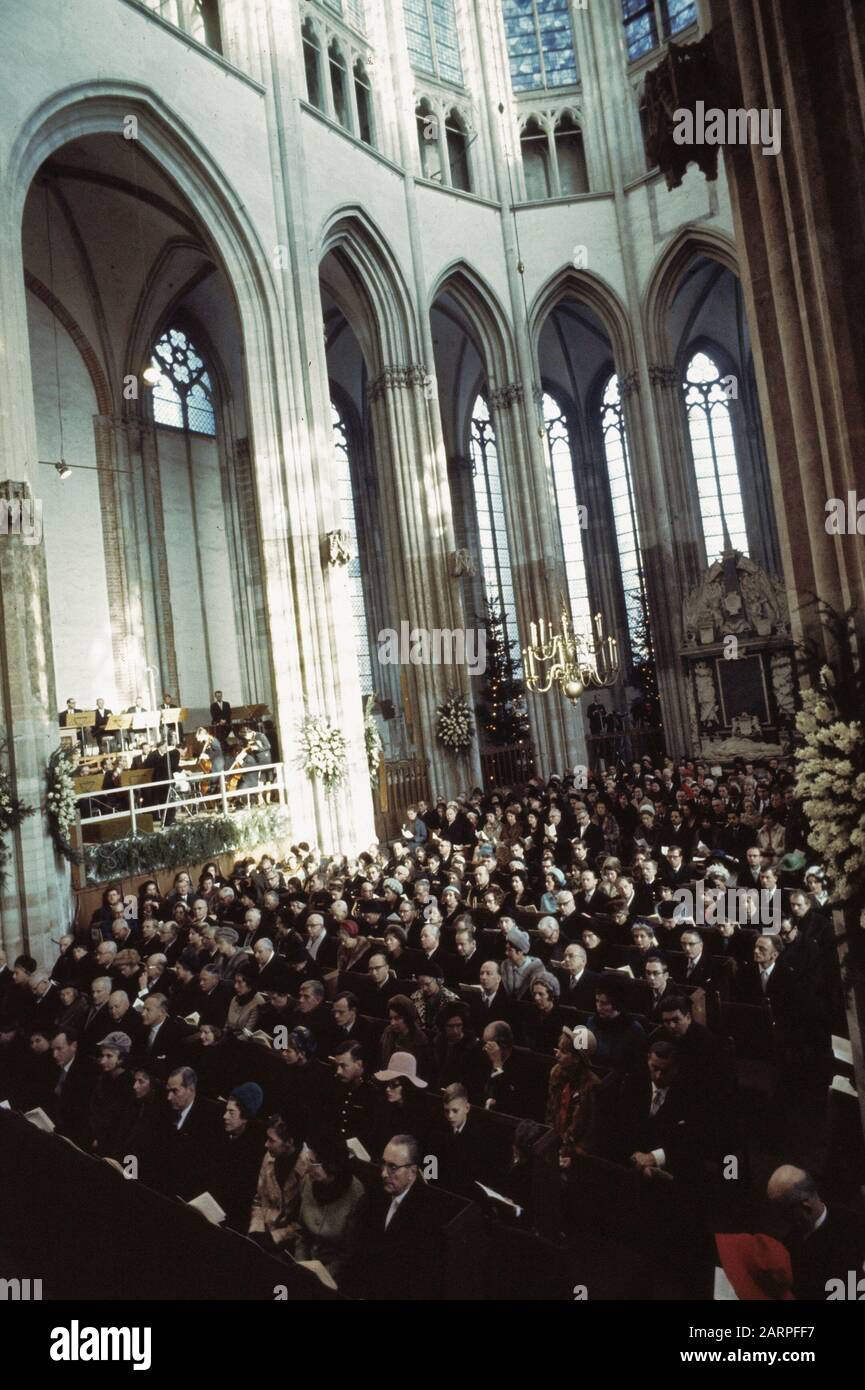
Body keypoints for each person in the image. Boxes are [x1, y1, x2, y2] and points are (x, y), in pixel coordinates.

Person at [346, 1135, 442, 1300]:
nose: (384, 1173)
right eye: (383, 1164)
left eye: (393, 1167)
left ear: (412, 1172)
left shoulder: (426, 1215)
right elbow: (358, 1252)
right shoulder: (375, 1196)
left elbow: (419, 1281)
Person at [767, 1165, 865, 1301]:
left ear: (806, 1206)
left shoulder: (856, 1227)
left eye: (784, 1212)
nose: (781, 1218)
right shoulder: (790, 1244)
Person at [293, 1137, 367, 1282]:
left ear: (330, 1166)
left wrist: (321, 1277)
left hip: (333, 1277)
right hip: (304, 1267)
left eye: (312, 1162)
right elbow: (301, 1233)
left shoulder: (357, 1196)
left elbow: (347, 1254)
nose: (307, 1167)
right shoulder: (308, 1181)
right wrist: (300, 1264)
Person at [211, 1083, 267, 1232]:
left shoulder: (255, 1150)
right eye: (226, 1111)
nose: (225, 1116)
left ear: (245, 1117)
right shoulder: (222, 1136)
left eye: (231, 1112)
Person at [248, 1115, 303, 1252]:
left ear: (289, 1142)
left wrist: (274, 1238)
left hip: (289, 1247)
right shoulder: (269, 1156)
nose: (266, 1144)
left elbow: (304, 1223)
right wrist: (256, 1230)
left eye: (272, 1140)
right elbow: (259, 1199)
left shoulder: (307, 1169)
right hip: (261, 1234)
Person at [545, 1030, 598, 1151]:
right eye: (559, 1049)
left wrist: (577, 1151)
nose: (557, 1054)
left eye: (563, 1052)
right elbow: (551, 1109)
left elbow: (591, 1125)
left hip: (576, 1146)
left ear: (576, 1058)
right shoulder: (556, 1072)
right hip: (555, 1137)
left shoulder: (591, 1085)